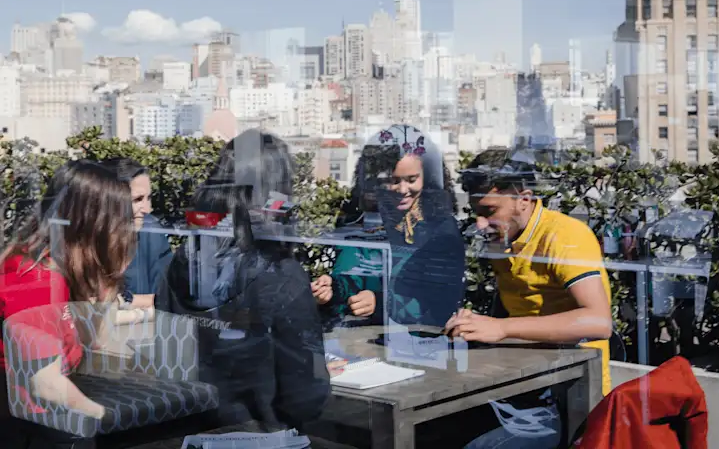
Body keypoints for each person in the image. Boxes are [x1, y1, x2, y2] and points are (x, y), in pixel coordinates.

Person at [155, 130, 330, 432]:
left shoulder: (181, 264)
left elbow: (170, 356)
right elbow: (305, 399)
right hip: (260, 434)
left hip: (189, 430)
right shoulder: (280, 275)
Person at [448, 148, 613, 449]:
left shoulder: (564, 236)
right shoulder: (504, 238)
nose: (481, 224)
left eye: (489, 212)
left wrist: (502, 328)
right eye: (476, 213)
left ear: (524, 199)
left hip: (567, 390)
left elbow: (599, 322)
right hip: (519, 380)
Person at [0, 160, 136, 449]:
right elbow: (45, 384)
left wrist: (106, 287)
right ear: (93, 224)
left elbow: (94, 346)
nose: (127, 229)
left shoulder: (61, 271)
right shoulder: (34, 278)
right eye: (121, 219)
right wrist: (111, 415)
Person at [311, 124, 465, 328]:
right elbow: (353, 278)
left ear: (426, 178)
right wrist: (333, 290)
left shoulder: (440, 229)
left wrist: (382, 303)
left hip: (423, 345)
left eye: (411, 180)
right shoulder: (362, 224)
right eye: (393, 181)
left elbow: (440, 300)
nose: (402, 190)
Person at [102, 158, 171, 318]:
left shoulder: (151, 232)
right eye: (137, 199)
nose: (148, 208)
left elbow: (166, 298)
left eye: (149, 198)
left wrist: (124, 301)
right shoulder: (86, 244)